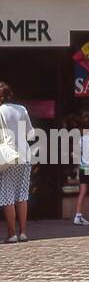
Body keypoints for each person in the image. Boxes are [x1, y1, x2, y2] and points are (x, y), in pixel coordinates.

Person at [0, 83, 35, 243]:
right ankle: (23, 233)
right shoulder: (22, 109)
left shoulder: (0, 111)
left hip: (8, 156)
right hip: (25, 155)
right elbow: (30, 132)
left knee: (7, 195)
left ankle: (12, 234)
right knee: (22, 195)